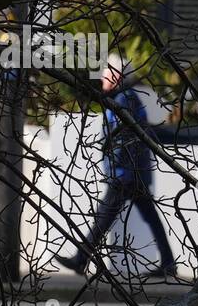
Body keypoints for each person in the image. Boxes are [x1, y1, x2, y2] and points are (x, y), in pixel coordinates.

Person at [56, 53, 177, 278]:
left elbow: (125, 137)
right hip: (132, 172)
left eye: (106, 72)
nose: (102, 77)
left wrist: (116, 167)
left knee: (104, 216)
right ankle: (168, 262)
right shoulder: (122, 98)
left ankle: (80, 259)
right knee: (146, 216)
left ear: (117, 75)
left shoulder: (124, 100)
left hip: (125, 173)